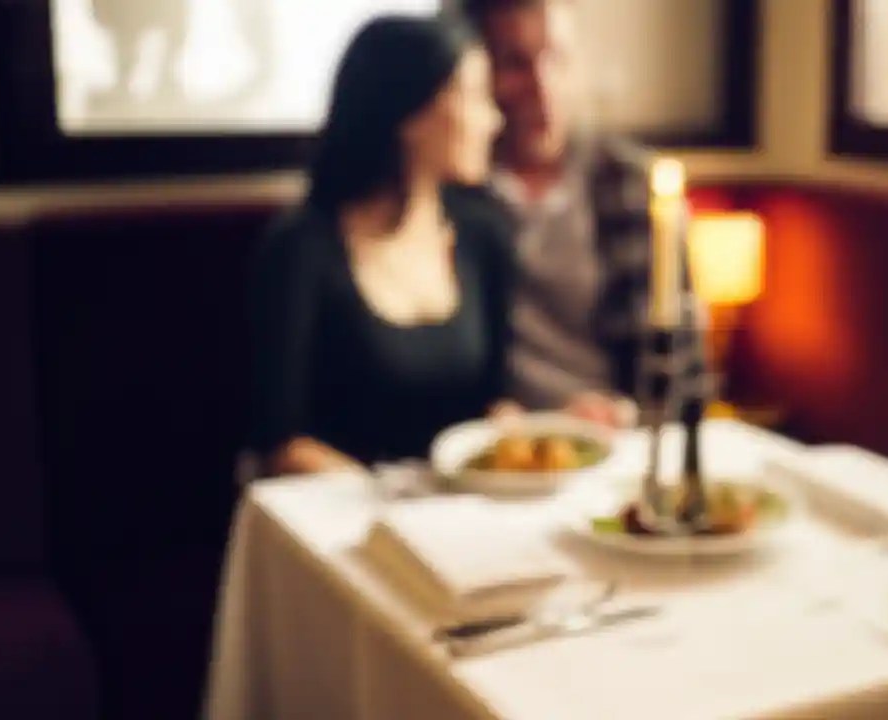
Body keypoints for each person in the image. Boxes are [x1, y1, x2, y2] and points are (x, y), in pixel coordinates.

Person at [247, 16, 510, 476]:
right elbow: (280, 442)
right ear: (411, 115)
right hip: (342, 507)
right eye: (474, 96)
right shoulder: (301, 248)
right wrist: (388, 503)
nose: (494, 120)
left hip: (462, 505)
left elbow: (491, 400)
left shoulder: (482, 234)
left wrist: (531, 434)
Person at [463, 0, 706, 428]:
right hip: (499, 442)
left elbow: (682, 363)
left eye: (556, 59)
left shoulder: (630, 184)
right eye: (515, 63)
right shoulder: (455, 194)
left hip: (615, 436)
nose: (542, 86)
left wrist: (626, 413)